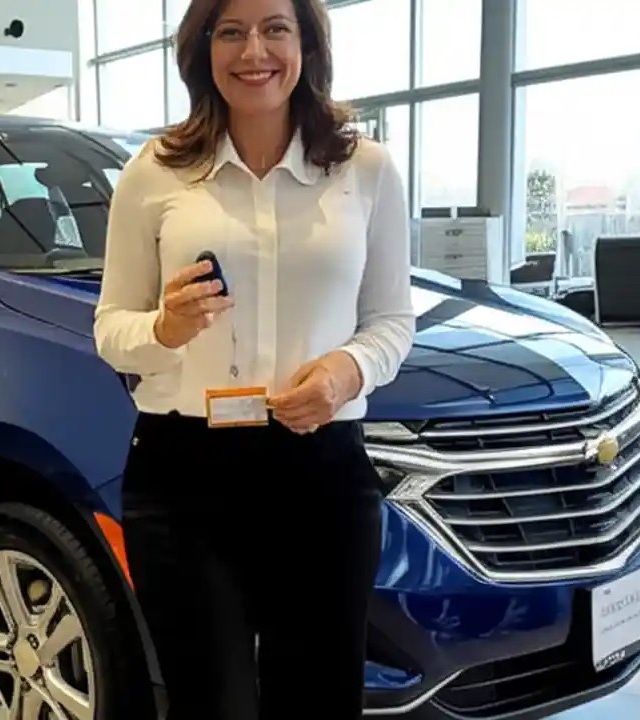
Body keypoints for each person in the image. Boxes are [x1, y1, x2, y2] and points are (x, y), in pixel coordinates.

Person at [92, 0, 415, 717]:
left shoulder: (367, 170)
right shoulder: (157, 170)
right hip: (185, 478)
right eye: (230, 31)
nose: (253, 51)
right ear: (203, 48)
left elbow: (392, 320)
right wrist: (167, 330)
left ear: (307, 44)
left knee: (320, 699)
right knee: (213, 703)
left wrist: (345, 372)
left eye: (275, 28)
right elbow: (112, 328)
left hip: (322, 473)